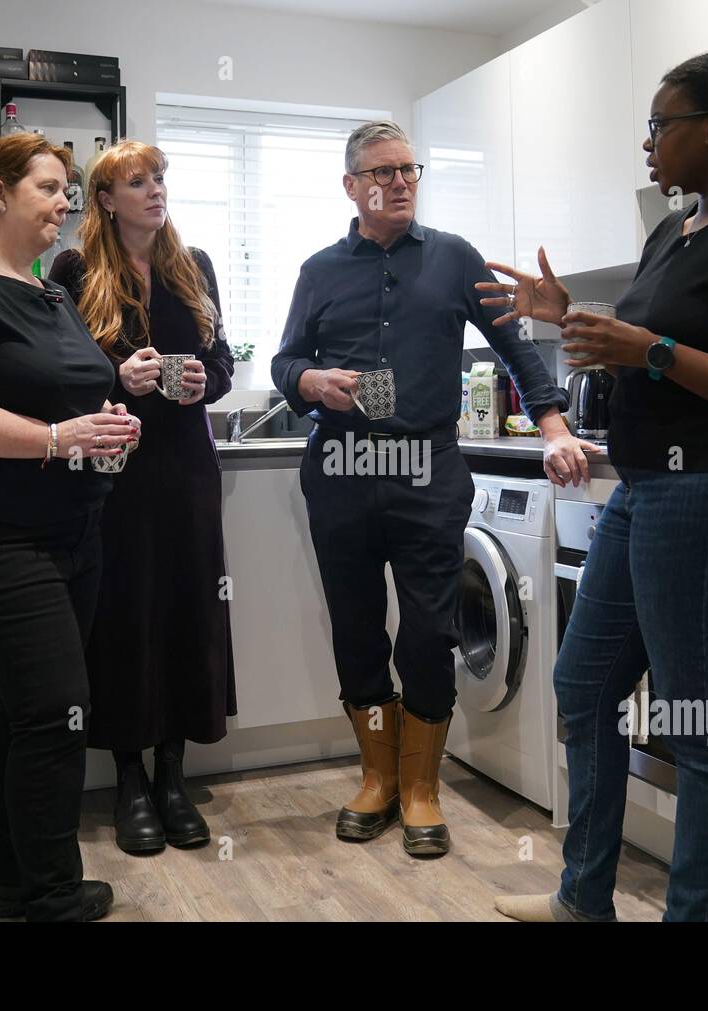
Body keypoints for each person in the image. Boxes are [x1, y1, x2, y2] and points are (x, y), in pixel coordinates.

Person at [482, 50, 708, 921]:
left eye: (660, 124)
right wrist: (568, 314)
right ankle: (582, 899)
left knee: (695, 718)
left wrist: (656, 353)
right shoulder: (675, 231)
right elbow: (646, 338)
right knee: (584, 685)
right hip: (649, 490)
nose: (648, 144)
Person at [271, 120, 587, 857]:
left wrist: (553, 428)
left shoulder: (453, 258)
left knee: (428, 631)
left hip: (427, 472)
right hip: (342, 472)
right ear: (351, 186)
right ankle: (376, 779)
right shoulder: (319, 269)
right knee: (355, 629)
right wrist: (310, 381)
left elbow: (515, 346)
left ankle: (420, 789)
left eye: (411, 170)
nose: (401, 182)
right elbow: (288, 360)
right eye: (384, 172)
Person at [0, 132, 141, 921]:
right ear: (0, 193)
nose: (65, 201)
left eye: (69, 188)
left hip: (75, 533)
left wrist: (107, 421)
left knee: (29, 706)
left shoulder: (52, 295)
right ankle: (48, 894)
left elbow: (69, 395)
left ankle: (12, 882)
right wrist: (55, 439)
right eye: (49, 186)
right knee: (55, 704)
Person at [49, 139, 236, 854]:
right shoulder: (73, 270)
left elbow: (220, 362)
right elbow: (61, 368)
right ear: (105, 198)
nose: (156, 190)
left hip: (187, 467)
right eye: (138, 181)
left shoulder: (194, 267)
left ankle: (173, 773)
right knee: (125, 617)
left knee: (189, 609)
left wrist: (205, 384)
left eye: (160, 178)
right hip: (113, 469)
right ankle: (128, 778)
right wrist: (113, 375)